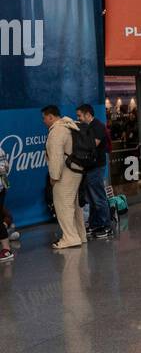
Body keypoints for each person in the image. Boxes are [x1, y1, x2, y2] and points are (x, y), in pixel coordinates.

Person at [42, 106, 87, 249]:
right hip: (76, 170)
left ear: (50, 117)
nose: (43, 121)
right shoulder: (69, 126)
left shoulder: (57, 132)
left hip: (66, 173)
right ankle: (80, 235)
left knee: (63, 206)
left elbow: (56, 157)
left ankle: (70, 238)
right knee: (74, 206)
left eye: (44, 118)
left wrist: (54, 177)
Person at [76, 103, 112, 239]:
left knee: (99, 198)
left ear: (88, 114)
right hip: (90, 168)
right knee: (91, 199)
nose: (78, 118)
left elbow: (92, 145)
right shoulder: (88, 127)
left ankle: (106, 226)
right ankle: (95, 224)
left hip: (96, 167)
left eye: (79, 115)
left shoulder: (97, 126)